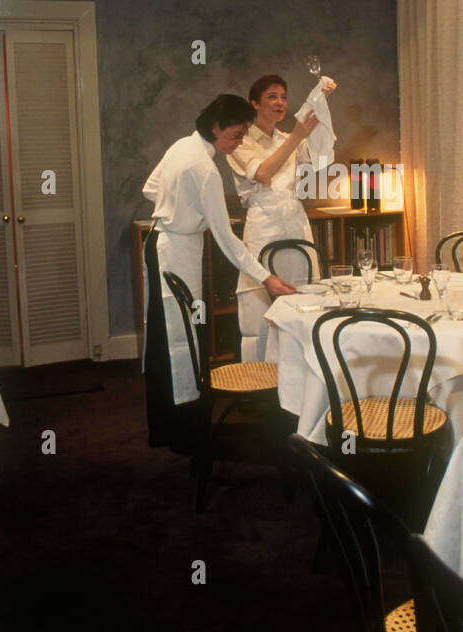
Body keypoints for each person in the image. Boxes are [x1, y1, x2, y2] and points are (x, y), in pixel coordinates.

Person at [142, 94, 296, 450]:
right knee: (183, 341)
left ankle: (165, 429)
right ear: (215, 126)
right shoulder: (206, 170)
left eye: (243, 135)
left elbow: (150, 189)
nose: (240, 142)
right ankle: (185, 434)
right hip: (177, 250)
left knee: (165, 339)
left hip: (158, 244)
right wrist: (266, 278)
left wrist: (177, 207)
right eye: (236, 134)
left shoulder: (181, 146)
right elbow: (227, 239)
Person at [227, 74, 337, 360]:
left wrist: (320, 103)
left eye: (284, 97)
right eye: (272, 97)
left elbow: (319, 162)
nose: (280, 103)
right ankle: (259, 381)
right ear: (255, 104)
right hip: (264, 227)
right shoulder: (241, 140)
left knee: (303, 298)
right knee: (259, 308)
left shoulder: (287, 139)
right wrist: (298, 137)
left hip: (295, 225)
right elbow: (262, 173)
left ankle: (302, 375)